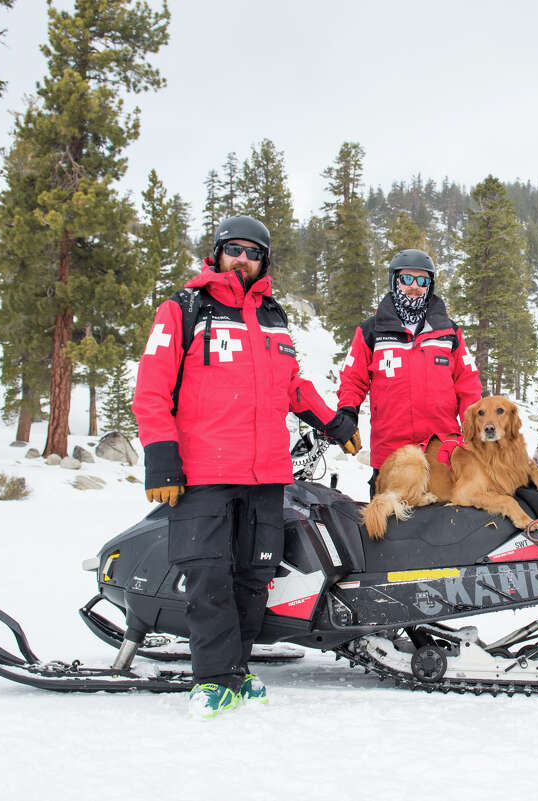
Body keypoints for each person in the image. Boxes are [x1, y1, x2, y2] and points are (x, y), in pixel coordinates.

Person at [132, 215, 359, 719]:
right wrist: (161, 458)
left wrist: (333, 423)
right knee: (209, 577)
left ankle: (238, 670)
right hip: (204, 472)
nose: (243, 259)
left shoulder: (272, 316)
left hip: (266, 474)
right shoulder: (183, 310)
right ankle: (213, 679)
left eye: (253, 252)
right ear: (216, 253)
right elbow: (151, 389)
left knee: (254, 577)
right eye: (234, 249)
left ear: (264, 262)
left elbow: (292, 385)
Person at [336, 249, 482, 495]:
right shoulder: (371, 331)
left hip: (442, 454)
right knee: (387, 527)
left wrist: (475, 429)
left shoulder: (448, 332)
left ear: (430, 285)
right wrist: (347, 412)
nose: (415, 287)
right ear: (395, 281)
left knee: (445, 529)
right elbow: (353, 380)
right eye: (407, 279)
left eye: (422, 280)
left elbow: (468, 385)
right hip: (391, 455)